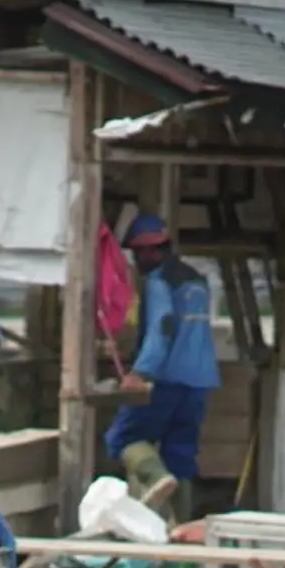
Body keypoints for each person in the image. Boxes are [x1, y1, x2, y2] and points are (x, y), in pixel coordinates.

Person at [104, 213, 220, 512]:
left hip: (166, 379)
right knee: (180, 454)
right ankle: (180, 529)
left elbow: (163, 327)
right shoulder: (197, 280)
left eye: (136, 252)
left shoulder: (159, 282)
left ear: (148, 250)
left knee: (122, 438)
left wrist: (140, 372)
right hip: (199, 381)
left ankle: (155, 479)